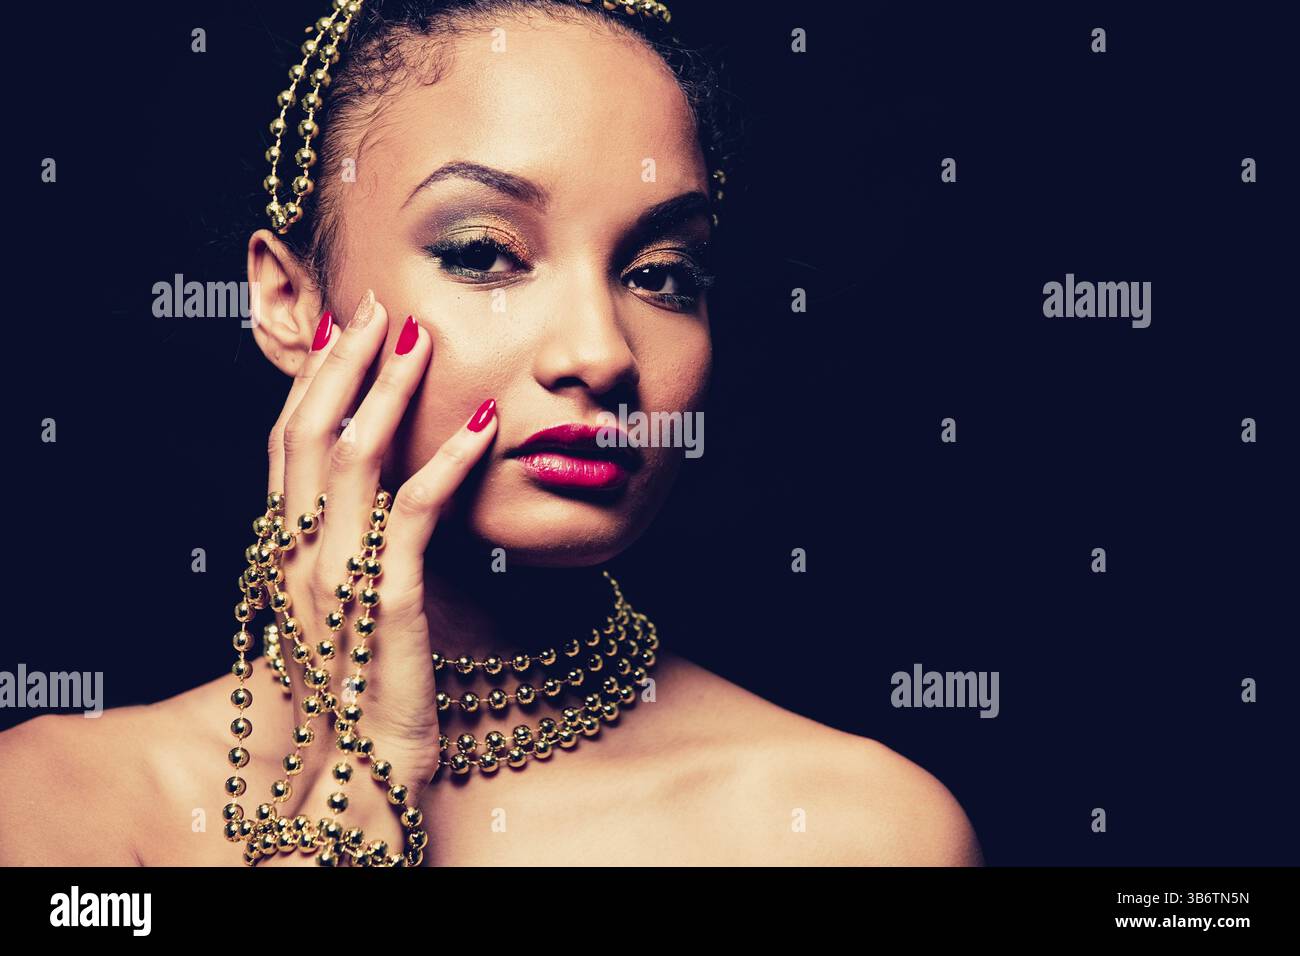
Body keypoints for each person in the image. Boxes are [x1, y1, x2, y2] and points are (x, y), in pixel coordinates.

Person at [0, 0, 982, 866]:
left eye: (661, 273)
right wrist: (354, 796)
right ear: (293, 301)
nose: (601, 353)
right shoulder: (58, 807)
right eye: (484, 254)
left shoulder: (859, 828)